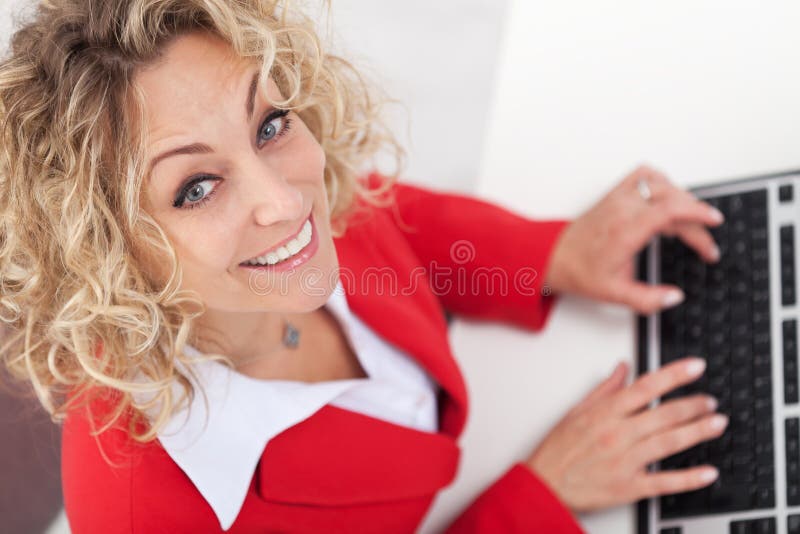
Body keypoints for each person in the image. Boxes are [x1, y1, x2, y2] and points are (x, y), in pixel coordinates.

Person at [0, 1, 729, 532]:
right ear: (106, 251)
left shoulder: (302, 205)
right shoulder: (153, 515)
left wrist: (548, 255)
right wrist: (541, 499)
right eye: (196, 187)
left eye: (270, 123)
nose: (286, 201)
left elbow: (387, 213)